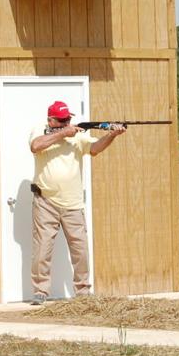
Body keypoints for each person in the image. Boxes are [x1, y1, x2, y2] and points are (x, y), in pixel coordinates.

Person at [27, 100, 126, 305]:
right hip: (46, 201)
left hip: (73, 203)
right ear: (50, 120)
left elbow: (95, 148)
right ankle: (40, 291)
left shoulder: (78, 136)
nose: (67, 122)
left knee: (80, 249)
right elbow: (35, 146)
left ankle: (83, 291)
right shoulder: (41, 131)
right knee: (42, 249)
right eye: (62, 120)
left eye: (68, 119)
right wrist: (63, 133)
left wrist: (111, 134)